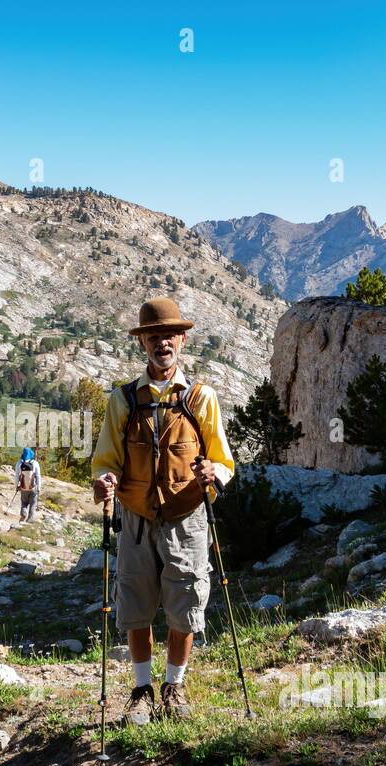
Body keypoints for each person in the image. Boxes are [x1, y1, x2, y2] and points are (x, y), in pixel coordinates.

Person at [90, 297, 235, 725]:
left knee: (185, 601)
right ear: (143, 344)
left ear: (183, 340)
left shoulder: (200, 398)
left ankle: (174, 685)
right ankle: (141, 690)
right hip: (135, 518)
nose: (162, 343)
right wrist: (104, 482)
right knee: (134, 602)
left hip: (186, 516)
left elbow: (224, 460)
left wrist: (216, 473)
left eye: (169, 336)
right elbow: (105, 460)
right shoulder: (123, 400)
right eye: (154, 337)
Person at [14, 447, 41, 522]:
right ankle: (30, 520)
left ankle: (23, 513)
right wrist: (39, 488)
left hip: (23, 487)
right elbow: (38, 476)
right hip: (33, 487)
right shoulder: (35, 463)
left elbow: (16, 476)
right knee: (33, 503)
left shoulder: (19, 463)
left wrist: (16, 486)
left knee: (24, 502)